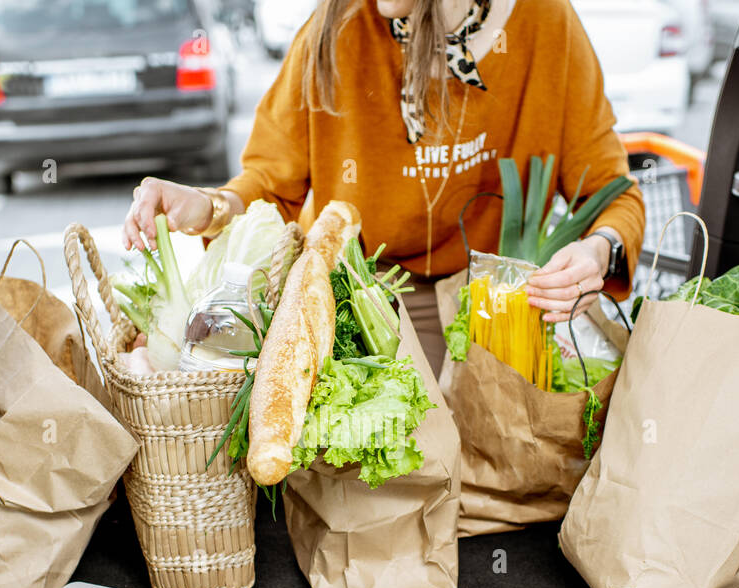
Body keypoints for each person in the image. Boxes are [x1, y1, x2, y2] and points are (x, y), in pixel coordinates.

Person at [122, 0, 644, 374]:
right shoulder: (336, 25)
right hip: (356, 302)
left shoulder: (545, 21)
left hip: (492, 307)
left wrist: (598, 252)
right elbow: (270, 185)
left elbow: (611, 191)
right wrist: (209, 206)